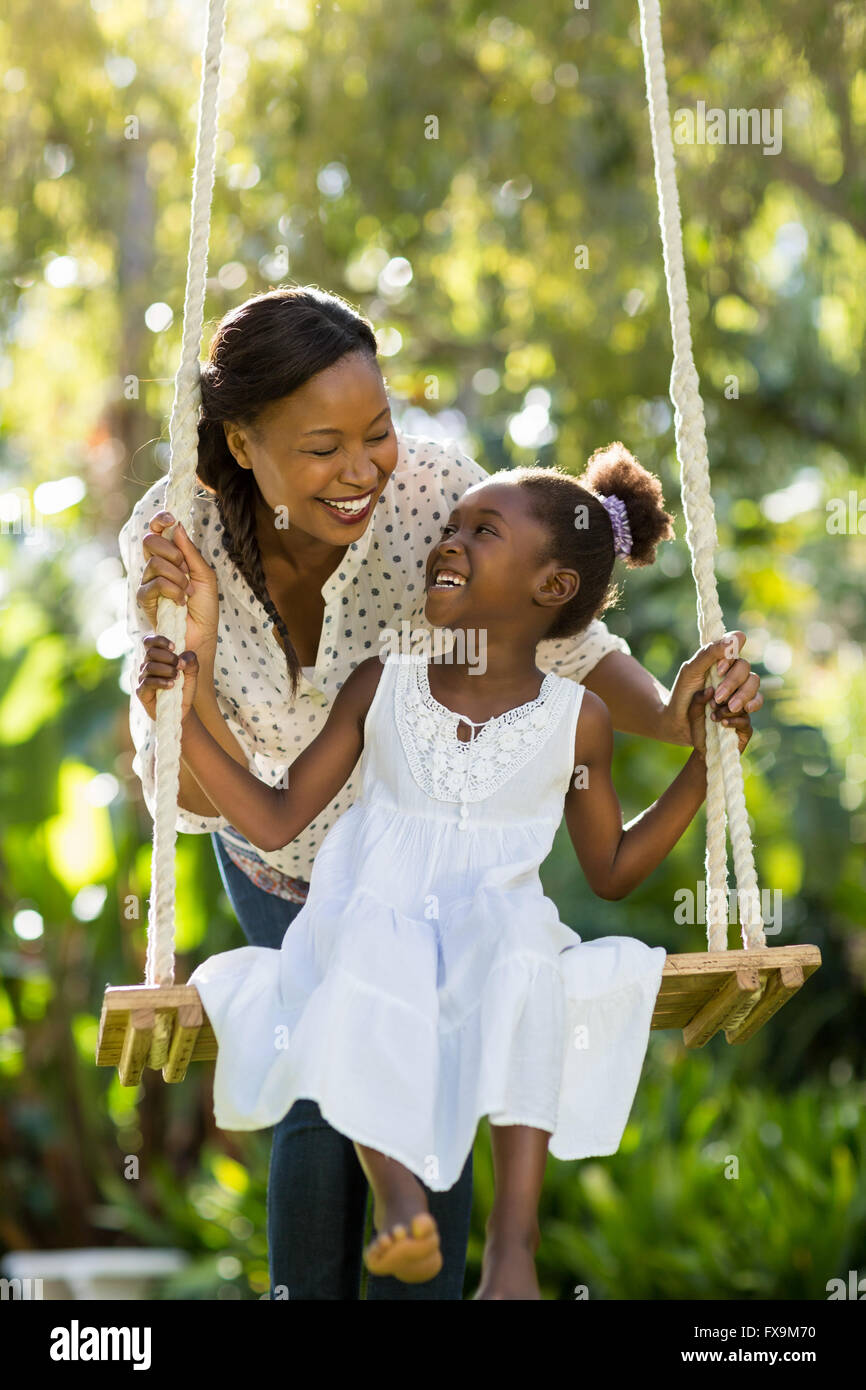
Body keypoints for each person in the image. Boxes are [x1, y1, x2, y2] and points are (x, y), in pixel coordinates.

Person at [120, 285, 762, 1299]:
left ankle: (479, 1263)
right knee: (319, 1070)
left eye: (376, 431)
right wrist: (183, 663)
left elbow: (571, 646)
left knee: (456, 1042)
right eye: (322, 446)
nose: (363, 469)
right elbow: (175, 752)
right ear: (243, 445)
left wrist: (690, 726)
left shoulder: (435, 500)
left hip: (460, 888)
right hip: (284, 860)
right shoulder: (177, 537)